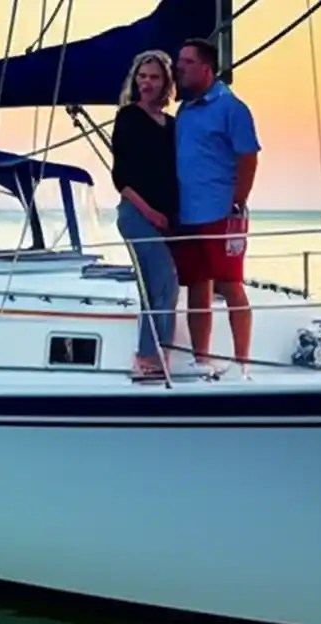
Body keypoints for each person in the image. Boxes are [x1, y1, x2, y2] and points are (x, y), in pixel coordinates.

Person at [172, 37, 260, 373]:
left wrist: (237, 202)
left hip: (221, 211)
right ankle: (201, 359)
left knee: (230, 285)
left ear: (206, 68)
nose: (179, 68)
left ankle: (242, 365)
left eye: (187, 62)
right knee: (198, 286)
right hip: (188, 213)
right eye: (180, 62)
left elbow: (248, 156)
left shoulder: (231, 107)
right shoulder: (184, 109)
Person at [111, 49, 181, 379]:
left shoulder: (171, 124)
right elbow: (121, 178)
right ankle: (148, 359)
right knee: (160, 280)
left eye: (154, 77)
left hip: (166, 218)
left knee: (163, 285)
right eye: (142, 76)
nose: (147, 82)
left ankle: (159, 355)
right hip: (137, 213)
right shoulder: (129, 117)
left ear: (166, 81)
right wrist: (150, 212)